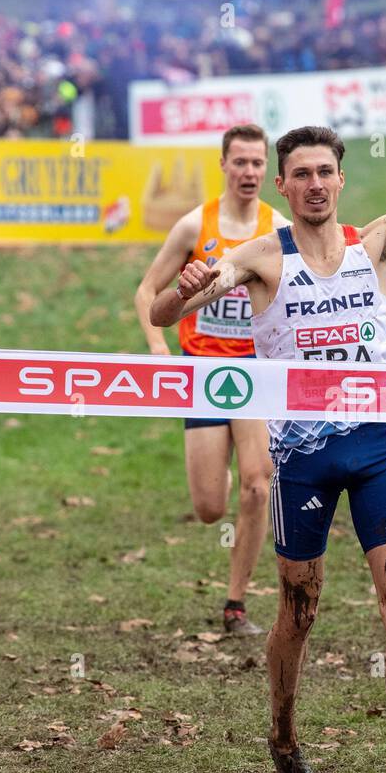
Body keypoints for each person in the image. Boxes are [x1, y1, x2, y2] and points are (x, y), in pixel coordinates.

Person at [152, 58, 386, 773]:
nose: (313, 184)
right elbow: (170, 316)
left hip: (376, 448)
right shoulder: (264, 258)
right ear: (281, 185)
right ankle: (282, 737)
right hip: (301, 459)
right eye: (299, 173)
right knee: (299, 609)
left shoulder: (380, 244)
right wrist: (192, 284)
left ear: (341, 181)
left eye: (325, 173)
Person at [136, 125, 290, 636]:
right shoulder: (192, 226)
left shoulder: (278, 230)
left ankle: (236, 604)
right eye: (239, 162)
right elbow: (146, 291)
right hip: (202, 373)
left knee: (256, 485)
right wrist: (159, 347)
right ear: (224, 165)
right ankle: (215, 469)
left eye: (256, 163)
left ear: (267, 170)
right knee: (208, 508)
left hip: (254, 372)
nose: (249, 172)